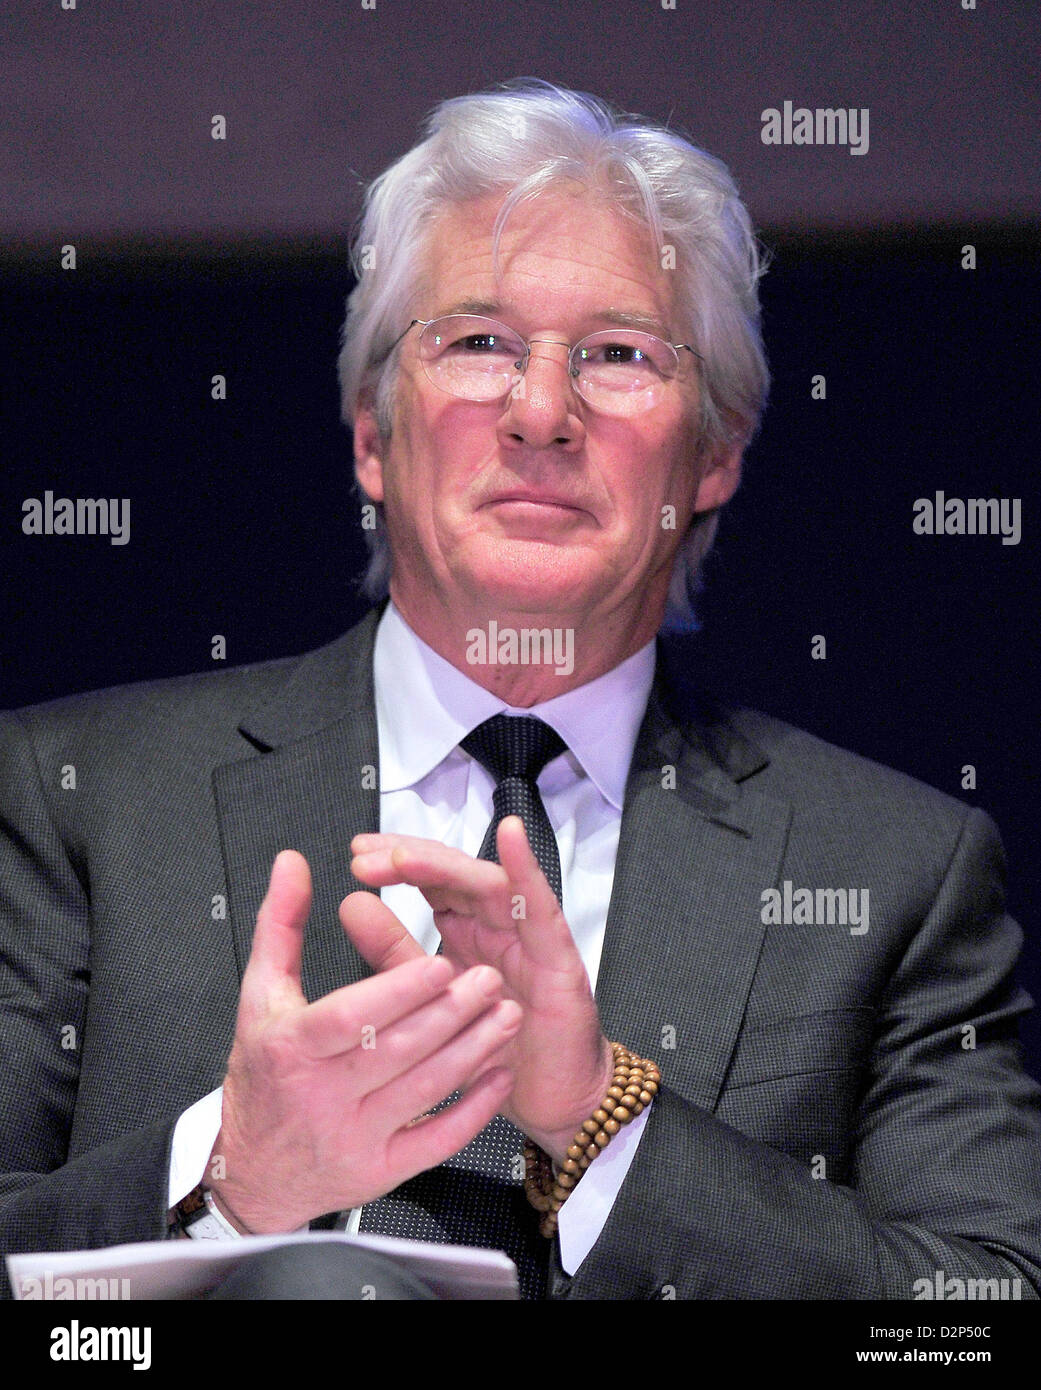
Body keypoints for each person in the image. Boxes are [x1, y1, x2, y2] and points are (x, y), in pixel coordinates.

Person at [2, 79, 1039, 1302]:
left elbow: (979, 1311)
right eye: (481, 342)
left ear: (713, 456)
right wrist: (224, 1174)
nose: (542, 412)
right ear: (372, 437)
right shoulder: (73, 801)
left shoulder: (901, 872)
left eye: (617, 355)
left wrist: (604, 1117)